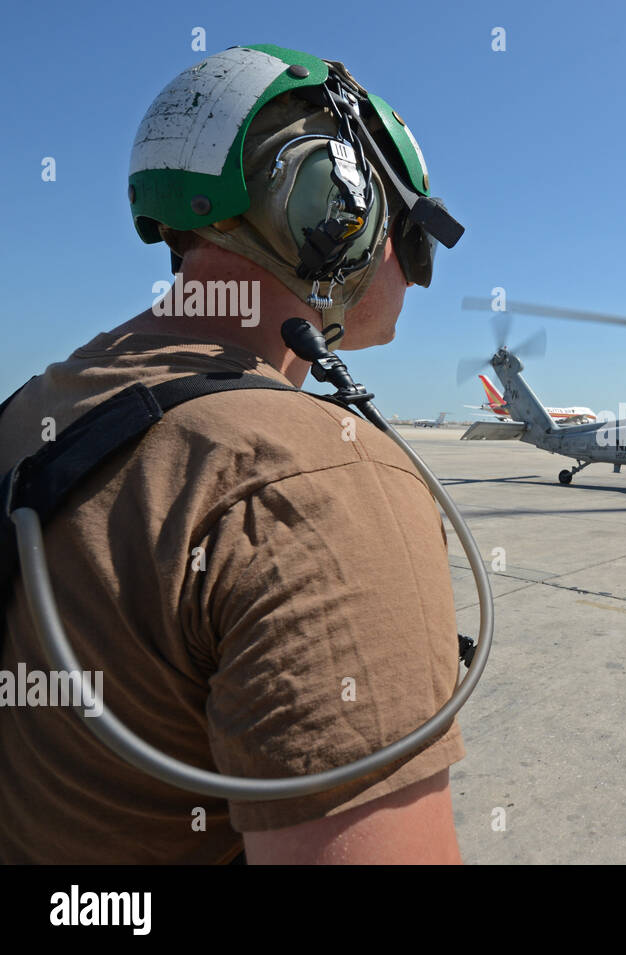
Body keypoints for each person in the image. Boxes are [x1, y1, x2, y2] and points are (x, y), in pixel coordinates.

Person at [0, 45, 466, 864]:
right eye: (405, 223)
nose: (414, 262)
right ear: (332, 210)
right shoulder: (317, 480)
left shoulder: (35, 407)